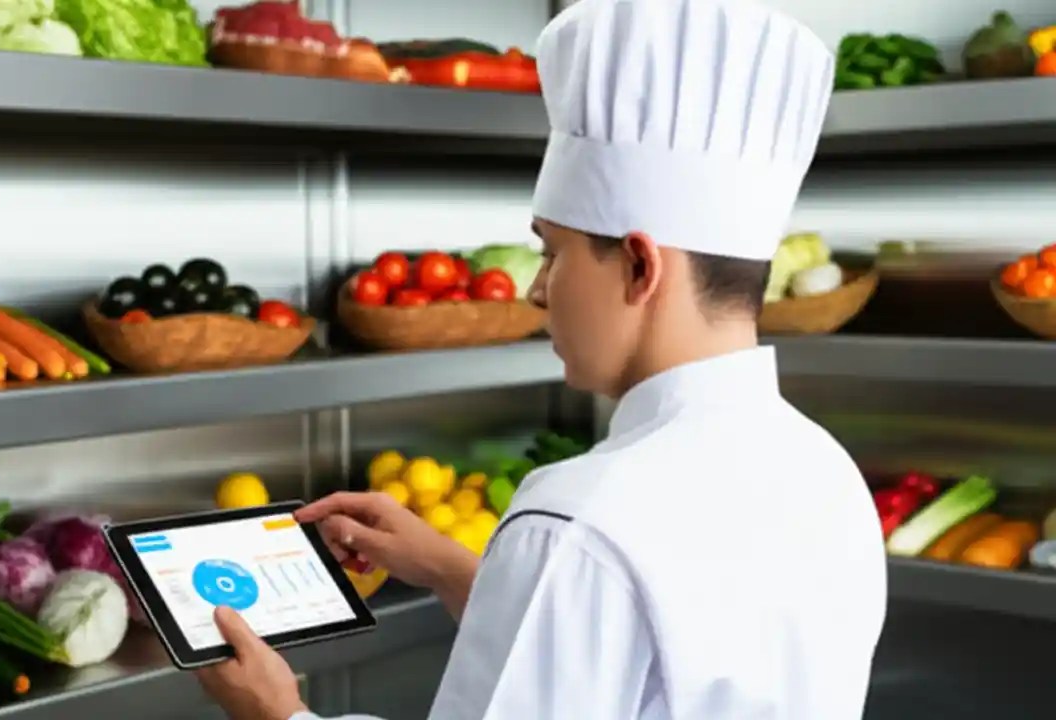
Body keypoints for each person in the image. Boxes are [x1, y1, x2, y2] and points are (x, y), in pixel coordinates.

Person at [195, 0, 888, 717]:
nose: (534, 289)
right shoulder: (824, 471)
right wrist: (451, 568)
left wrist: (277, 713)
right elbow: (648, 667)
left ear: (640, 267)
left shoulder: (579, 520)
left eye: (550, 252)